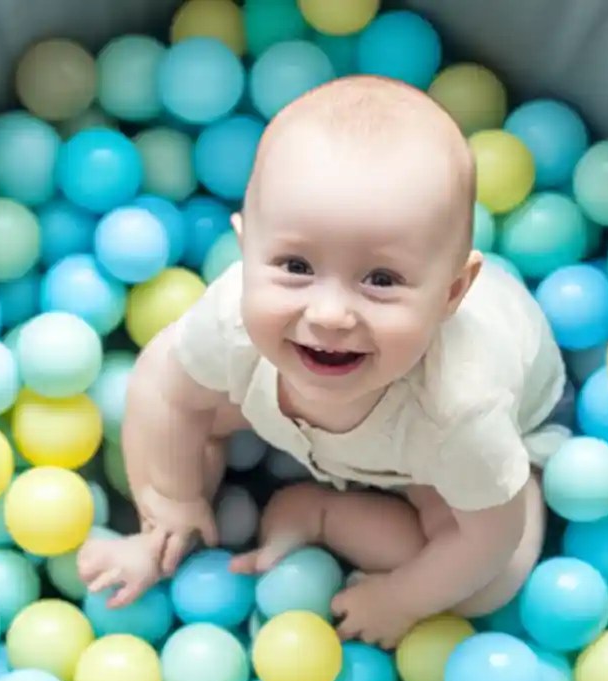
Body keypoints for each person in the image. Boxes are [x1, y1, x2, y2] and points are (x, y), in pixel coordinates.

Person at [78, 74, 570, 648]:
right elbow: (163, 389)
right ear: (246, 249)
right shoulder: (233, 324)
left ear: (451, 295)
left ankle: (321, 514)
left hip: (434, 454)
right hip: (325, 423)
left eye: (381, 280)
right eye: (295, 266)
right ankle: (171, 533)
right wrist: (170, 501)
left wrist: (401, 600)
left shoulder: (462, 413)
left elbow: (491, 538)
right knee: (182, 419)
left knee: (490, 582)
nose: (331, 313)